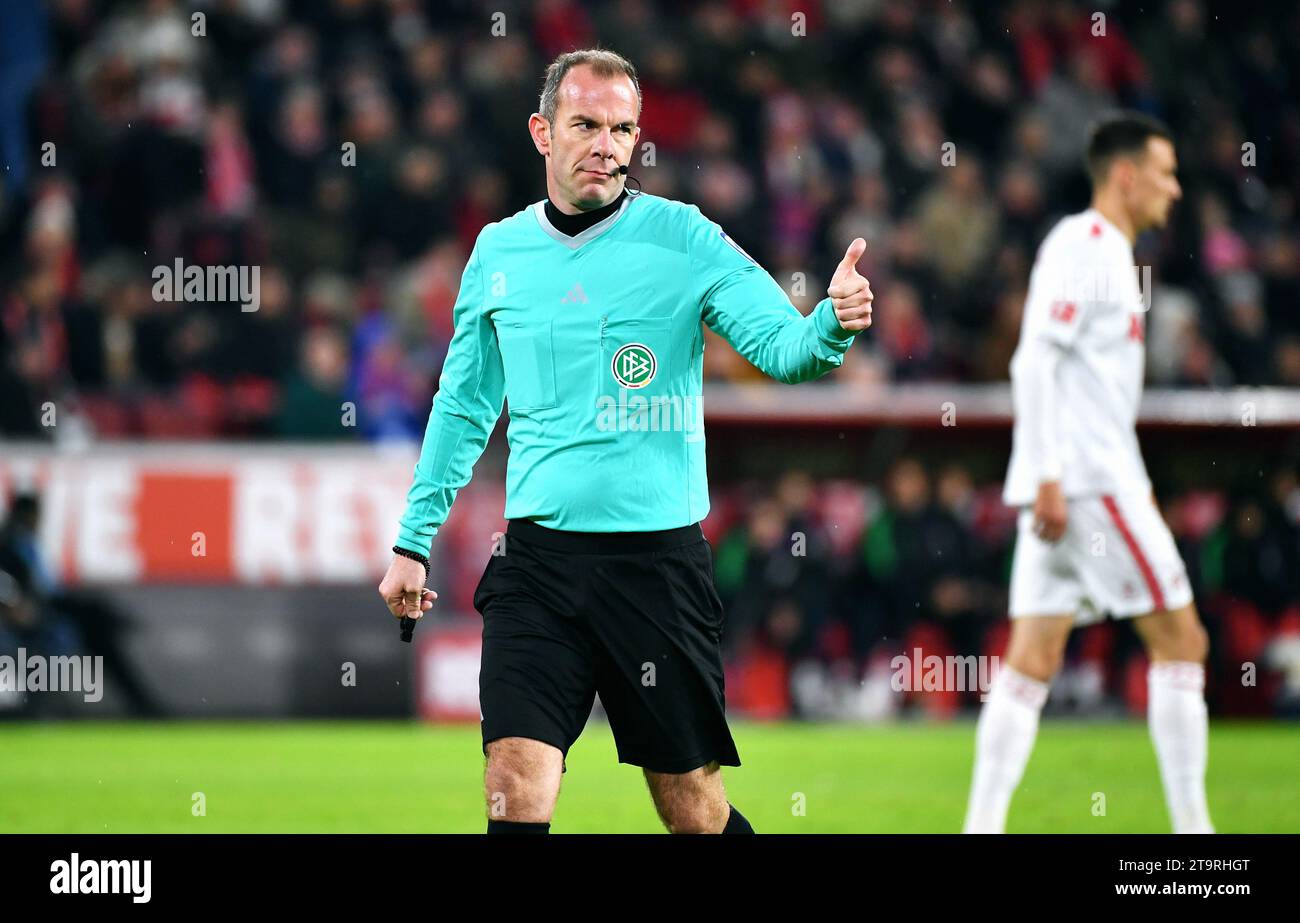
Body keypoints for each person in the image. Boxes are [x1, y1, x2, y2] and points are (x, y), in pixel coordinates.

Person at [377, 48, 873, 834]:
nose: (607, 144)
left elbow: (784, 351)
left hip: (654, 567)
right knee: (514, 777)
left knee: (693, 813)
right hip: (536, 566)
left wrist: (831, 325)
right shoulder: (499, 253)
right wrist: (412, 540)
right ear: (544, 131)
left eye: (622, 128)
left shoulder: (684, 238)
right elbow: (462, 406)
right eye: (586, 124)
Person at [963, 113, 1214, 834]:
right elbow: (1034, 358)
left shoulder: (1111, 255)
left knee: (1032, 658)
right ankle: (1196, 837)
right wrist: (1046, 471)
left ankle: (981, 828)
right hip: (1085, 481)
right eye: (1165, 172)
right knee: (1183, 640)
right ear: (1126, 175)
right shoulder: (1086, 245)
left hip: (1075, 480)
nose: (1175, 188)